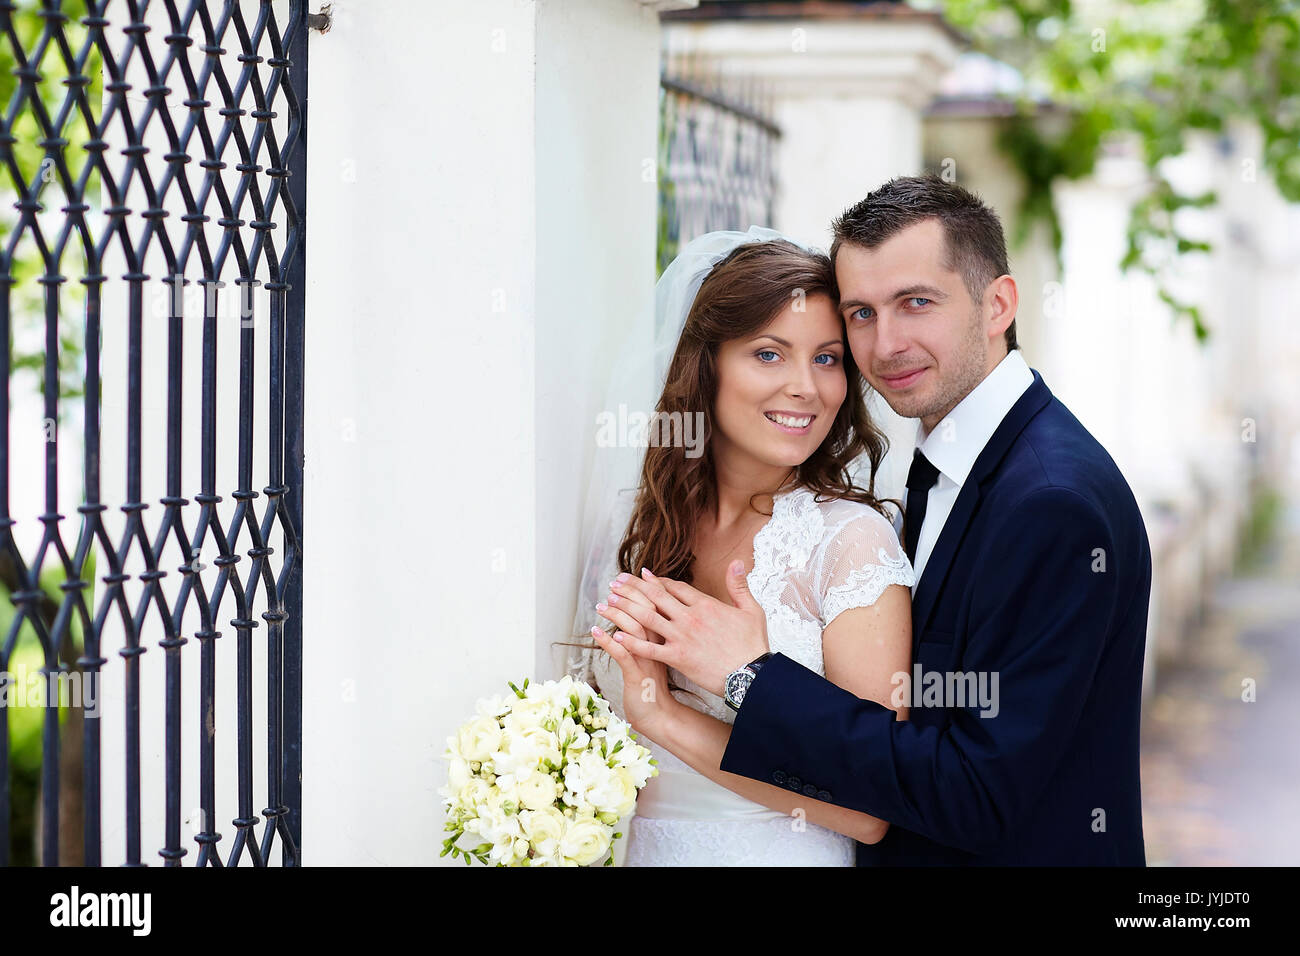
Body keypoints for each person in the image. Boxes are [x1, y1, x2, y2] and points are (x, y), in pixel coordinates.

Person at [594, 175, 1152, 865]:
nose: (885, 344)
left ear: (997, 304)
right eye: (861, 313)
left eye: (916, 303)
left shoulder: (1053, 502)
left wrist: (749, 676)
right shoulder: (941, 466)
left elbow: (976, 791)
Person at [569, 226, 915, 866]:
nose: (806, 387)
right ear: (707, 366)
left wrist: (670, 716)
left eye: (827, 358)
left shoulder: (848, 546)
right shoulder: (636, 524)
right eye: (768, 353)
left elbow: (869, 811)